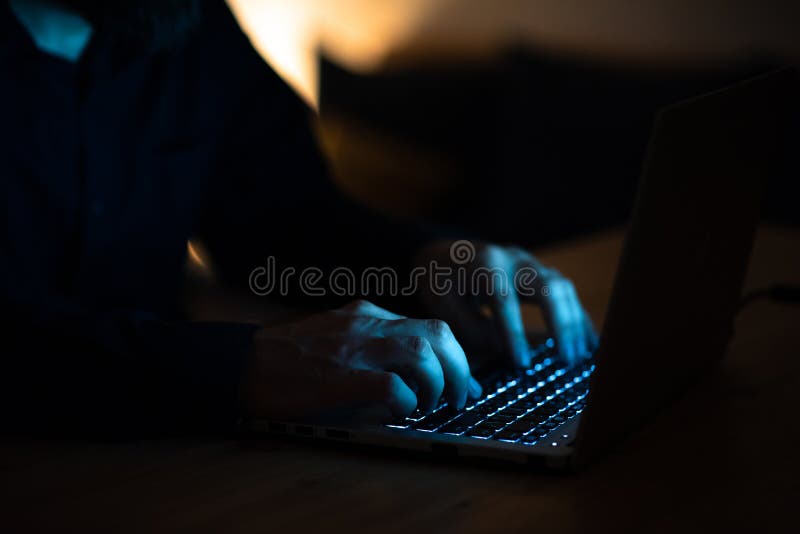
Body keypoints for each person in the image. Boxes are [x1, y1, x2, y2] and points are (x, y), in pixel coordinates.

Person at [0, 0, 596, 436]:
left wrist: (428, 263)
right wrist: (243, 366)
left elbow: (283, 223)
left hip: (168, 460)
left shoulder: (189, 26)